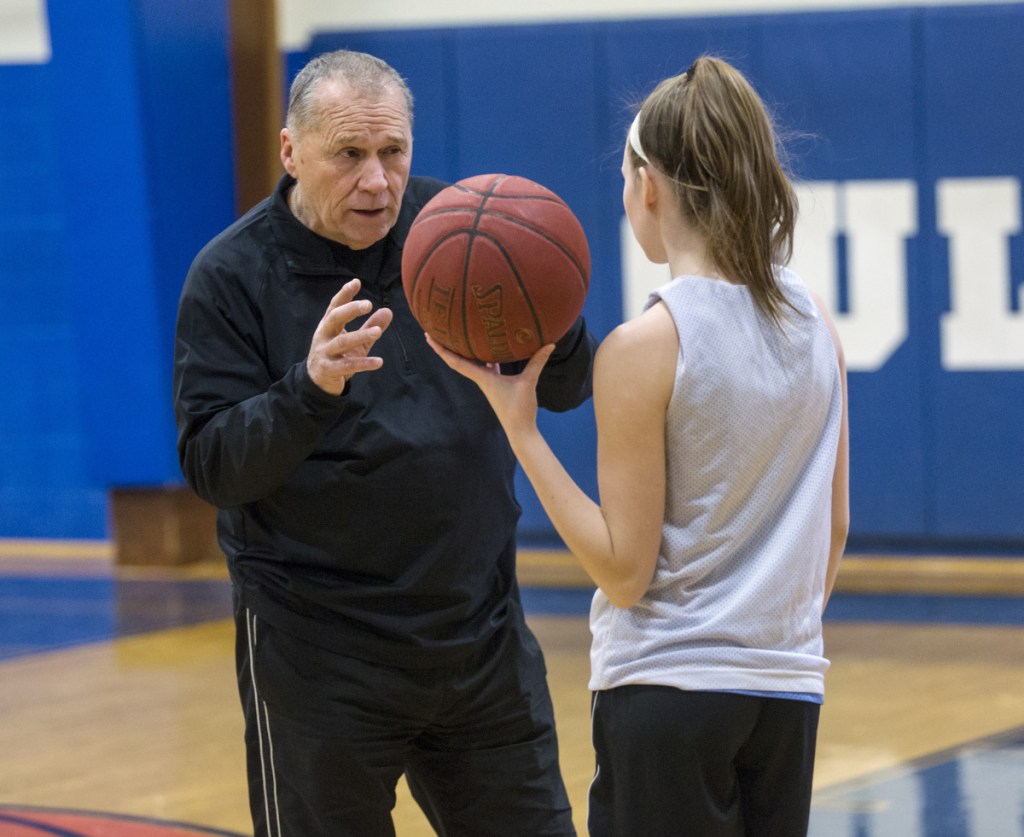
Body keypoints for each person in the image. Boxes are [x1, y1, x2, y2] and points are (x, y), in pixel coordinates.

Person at [173, 49, 596, 837]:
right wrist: (309, 389)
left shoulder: (460, 235)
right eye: (349, 154)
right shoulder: (230, 276)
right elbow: (212, 465)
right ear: (291, 151)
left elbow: (568, 386)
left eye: (392, 151)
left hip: (478, 638)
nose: (376, 180)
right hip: (318, 657)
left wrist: (550, 306)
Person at [430, 55, 850, 837]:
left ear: (648, 186)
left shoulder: (643, 346)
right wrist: (764, 637)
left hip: (666, 693)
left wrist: (520, 429)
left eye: (626, 180)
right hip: (788, 691)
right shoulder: (816, 321)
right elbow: (835, 526)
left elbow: (624, 572)